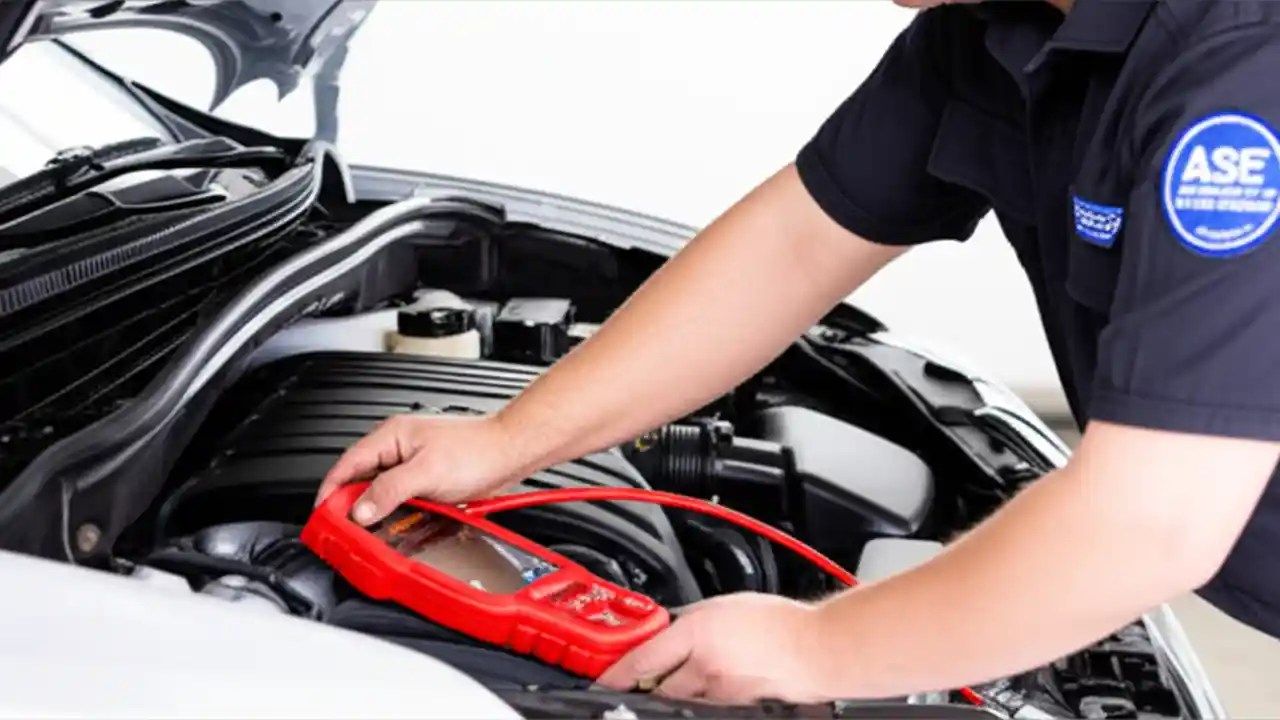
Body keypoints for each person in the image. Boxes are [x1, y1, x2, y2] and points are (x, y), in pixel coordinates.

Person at [316, 0, 1280, 704]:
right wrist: (511, 439)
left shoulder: (1245, 68)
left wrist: (823, 648)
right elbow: (798, 244)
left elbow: (1151, 521)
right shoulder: (990, 32)